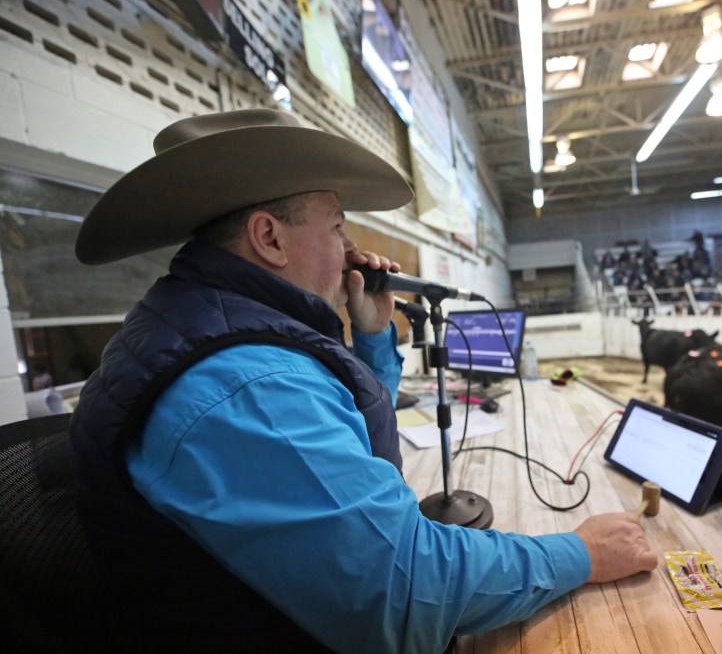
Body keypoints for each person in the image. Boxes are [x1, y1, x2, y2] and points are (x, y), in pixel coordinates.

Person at [68, 109, 657, 653]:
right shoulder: (247, 384)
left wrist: (373, 336)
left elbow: (348, 443)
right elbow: (405, 593)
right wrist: (581, 553)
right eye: (335, 228)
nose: (353, 251)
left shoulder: (214, 321)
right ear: (269, 238)